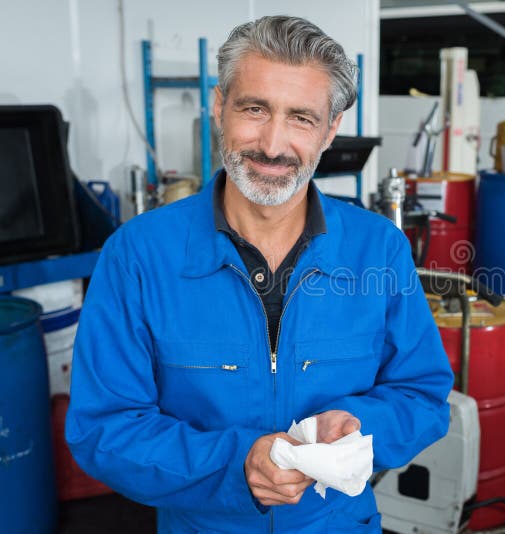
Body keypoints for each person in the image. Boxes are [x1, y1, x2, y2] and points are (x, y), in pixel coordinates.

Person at [66, 15, 453, 533]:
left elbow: (423, 395)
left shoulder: (378, 250)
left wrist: (363, 427)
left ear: (331, 128)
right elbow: (103, 430)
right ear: (219, 105)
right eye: (255, 109)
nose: (272, 144)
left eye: (301, 118)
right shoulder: (137, 256)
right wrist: (236, 466)